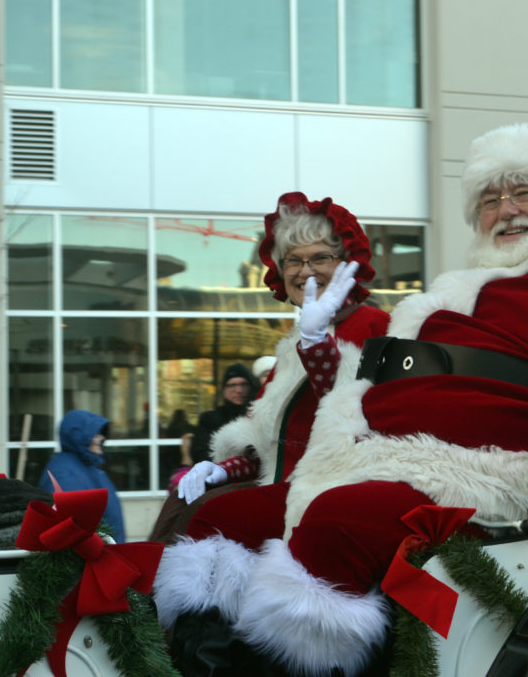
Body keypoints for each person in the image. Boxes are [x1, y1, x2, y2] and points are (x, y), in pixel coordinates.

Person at [152, 123, 528, 675]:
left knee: (336, 522)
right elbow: (344, 393)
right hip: (384, 459)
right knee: (227, 515)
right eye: (489, 200)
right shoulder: (463, 289)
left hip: (497, 476)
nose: (506, 209)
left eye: (523, 191)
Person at [152, 192, 393, 668]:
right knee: (187, 501)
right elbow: (271, 443)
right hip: (286, 485)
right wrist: (222, 469)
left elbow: (349, 408)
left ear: (347, 264)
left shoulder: (375, 325)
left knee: (219, 518)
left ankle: (213, 662)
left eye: (319, 258)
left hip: (334, 490)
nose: (305, 271)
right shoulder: (294, 342)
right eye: (293, 261)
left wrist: (317, 342)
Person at [38, 409, 126, 543]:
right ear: (78, 437)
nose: (102, 438)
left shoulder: (88, 466)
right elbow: (73, 529)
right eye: (96, 434)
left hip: (106, 549)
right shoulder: (65, 474)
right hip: (94, 552)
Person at [188, 363, 259, 466]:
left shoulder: (257, 416)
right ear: (224, 390)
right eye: (232, 385)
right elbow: (200, 454)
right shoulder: (209, 419)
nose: (239, 390)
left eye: (244, 384)